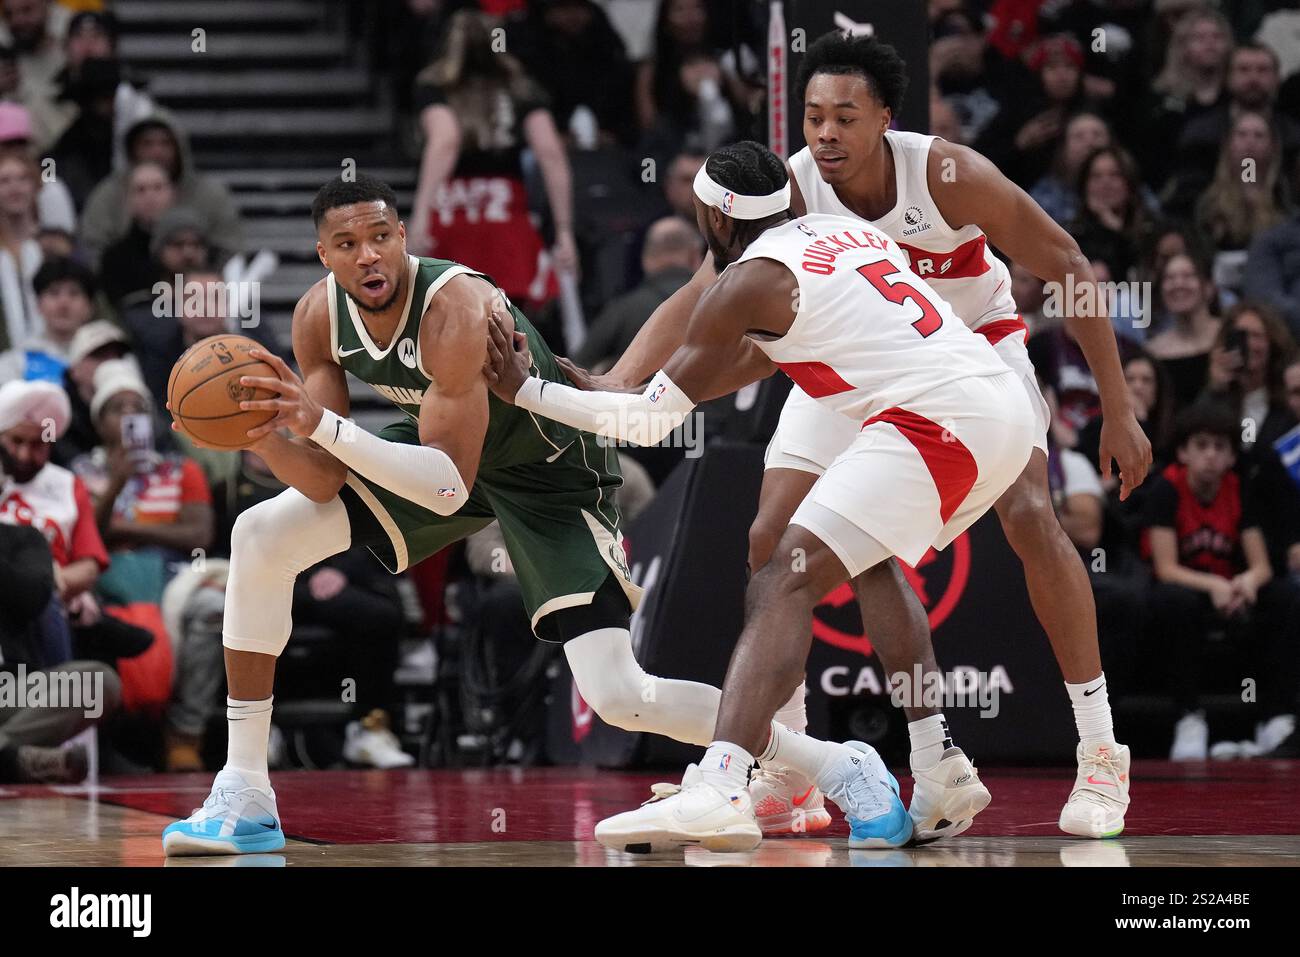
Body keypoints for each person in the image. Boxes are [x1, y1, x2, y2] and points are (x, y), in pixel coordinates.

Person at [565, 31, 1151, 840]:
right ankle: (789, 776)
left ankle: (1099, 750)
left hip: (968, 352)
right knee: (772, 541)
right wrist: (619, 382)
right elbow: (701, 295)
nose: (825, 134)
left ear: (885, 118)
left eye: (845, 116)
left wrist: (1117, 408)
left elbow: (1071, 264)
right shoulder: (794, 188)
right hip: (855, 366)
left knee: (1027, 515)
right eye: (812, 118)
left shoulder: (947, 173)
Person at [159, 174, 798, 856]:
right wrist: (266, 435)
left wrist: (321, 425)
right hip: (440, 452)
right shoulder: (319, 317)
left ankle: (809, 761)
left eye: (381, 237)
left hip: (547, 473)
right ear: (324, 256)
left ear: (404, 236)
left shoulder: (456, 307)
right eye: (348, 244)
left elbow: (446, 491)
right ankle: (246, 789)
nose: (368, 255)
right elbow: (323, 479)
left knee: (620, 695)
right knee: (259, 531)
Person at [486, 140, 1036, 853]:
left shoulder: (745, 282)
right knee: (848, 558)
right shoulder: (851, 235)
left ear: (714, 218)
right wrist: (600, 389)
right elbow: (752, 357)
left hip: (934, 419)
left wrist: (529, 392)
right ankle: (938, 762)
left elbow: (654, 418)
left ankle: (722, 783)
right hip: (994, 402)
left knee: (783, 579)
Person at [1142, 403, 1298, 760]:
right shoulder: (1166, 490)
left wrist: (1246, 583)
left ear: (1231, 456)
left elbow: (1261, 566)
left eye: (1220, 447)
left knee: (1284, 597)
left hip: (1228, 589)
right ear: (1183, 452)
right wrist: (1214, 586)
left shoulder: (1238, 489)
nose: (1211, 455)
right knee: (1174, 600)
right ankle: (1189, 715)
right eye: (1202, 446)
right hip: (1187, 590)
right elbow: (1166, 568)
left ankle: (1275, 715)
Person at [408, 10, 574, 315]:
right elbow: (550, 153)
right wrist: (563, 230)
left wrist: (420, 216)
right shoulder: (520, 87)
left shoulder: (434, 87)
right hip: (505, 215)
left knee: (448, 308)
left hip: (454, 211)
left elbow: (445, 141)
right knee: (510, 314)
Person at [80, 113, 242, 267]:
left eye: (165, 143)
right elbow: (92, 248)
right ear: (132, 150)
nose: (157, 152)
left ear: (180, 148)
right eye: (147, 144)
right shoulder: (108, 194)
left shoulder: (210, 194)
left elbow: (229, 249)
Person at [0, 256, 96, 384]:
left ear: (89, 306)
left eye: (74, 293)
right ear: (38, 304)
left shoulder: (110, 356)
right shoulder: (16, 363)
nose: (64, 303)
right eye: (54, 293)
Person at [1146, 251, 1222, 408]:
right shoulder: (1152, 352)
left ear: (1208, 287)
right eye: (1169, 278)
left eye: (1188, 276)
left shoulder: (1226, 335)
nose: (1178, 284)